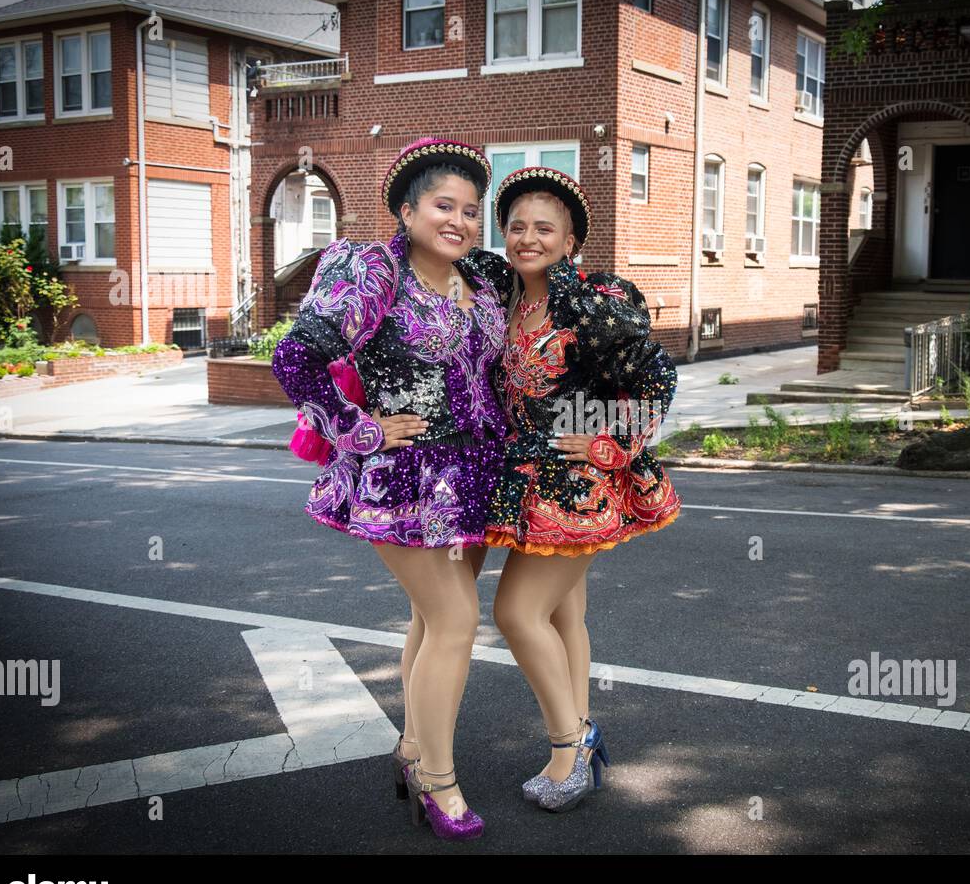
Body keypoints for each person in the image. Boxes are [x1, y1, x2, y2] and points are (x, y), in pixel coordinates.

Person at [271, 137, 509, 840]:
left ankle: (412, 751)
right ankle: (438, 778)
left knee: (430, 622)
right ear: (407, 209)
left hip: (473, 475)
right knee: (458, 622)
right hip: (404, 476)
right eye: (444, 205)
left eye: (471, 210)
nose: (461, 221)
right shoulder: (373, 272)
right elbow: (295, 356)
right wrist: (357, 430)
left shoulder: (482, 280)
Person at [479, 167, 682, 812]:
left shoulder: (595, 299)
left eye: (545, 228)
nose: (527, 238)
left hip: (577, 486)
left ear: (571, 240)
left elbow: (656, 378)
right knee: (565, 616)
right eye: (516, 226)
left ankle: (572, 743)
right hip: (521, 481)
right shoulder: (501, 294)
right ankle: (579, 736)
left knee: (515, 613)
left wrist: (604, 439)